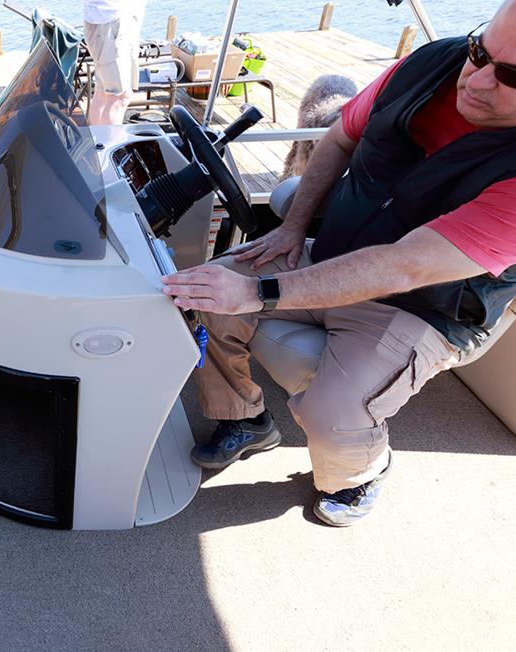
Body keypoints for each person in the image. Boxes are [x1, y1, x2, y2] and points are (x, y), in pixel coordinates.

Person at [161, 0, 516, 526]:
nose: (476, 81)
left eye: (509, 76)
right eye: (478, 52)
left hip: (424, 305)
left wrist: (260, 293)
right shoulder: (427, 66)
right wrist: (292, 227)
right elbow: (341, 136)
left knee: (329, 414)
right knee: (204, 293)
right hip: (331, 252)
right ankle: (247, 419)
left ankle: (359, 476)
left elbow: (407, 267)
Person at [83, 0, 146, 125]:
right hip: (112, 20)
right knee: (119, 97)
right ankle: (111, 142)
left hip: (109, 18)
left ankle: (98, 142)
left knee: (103, 93)